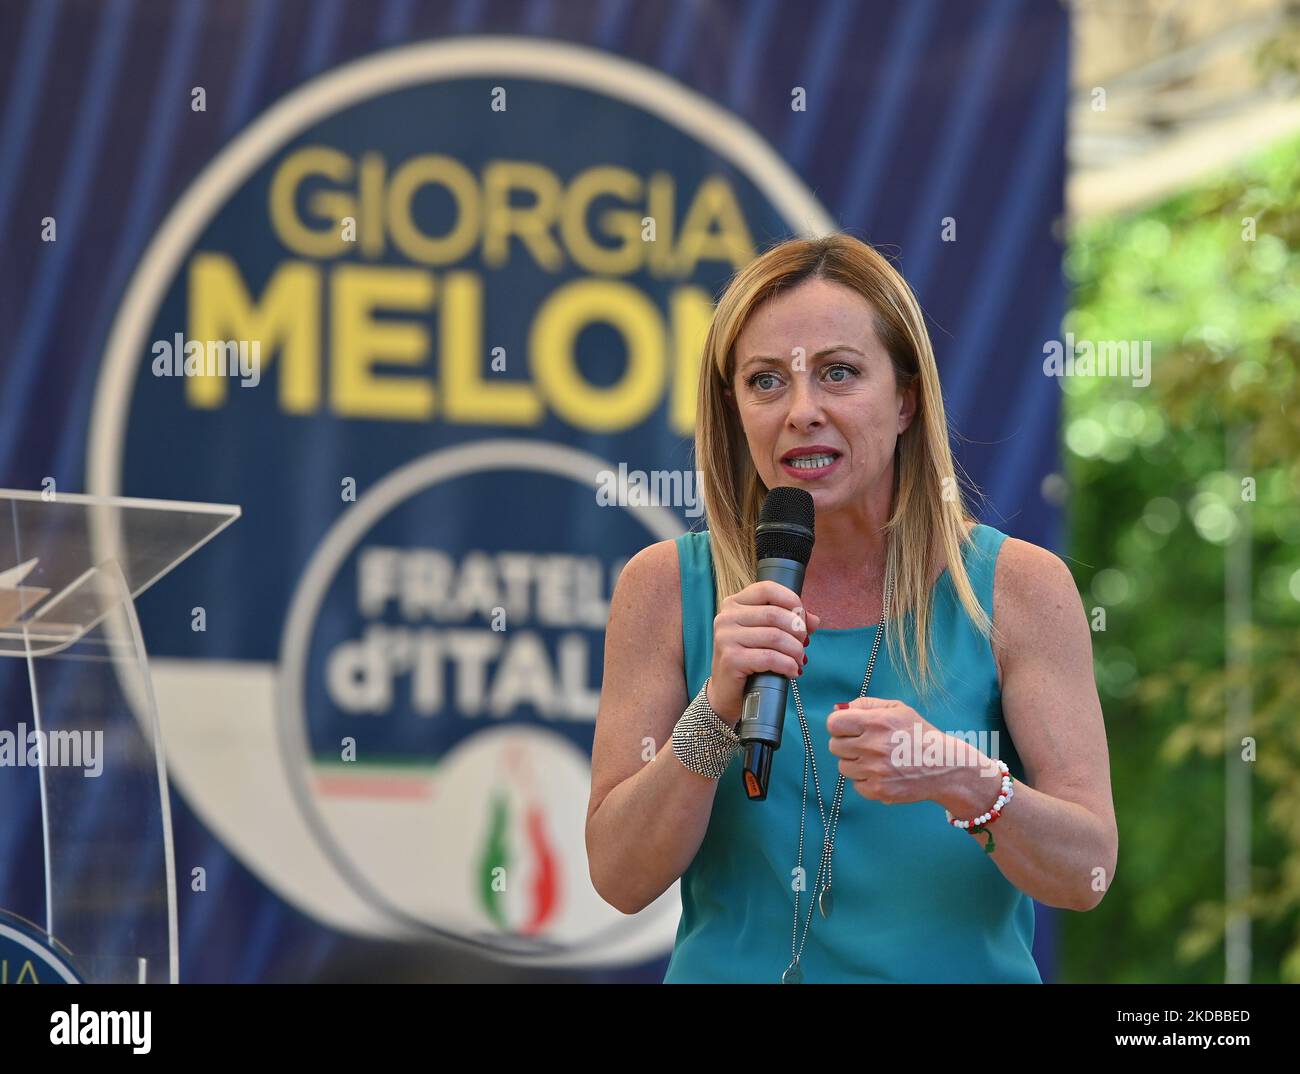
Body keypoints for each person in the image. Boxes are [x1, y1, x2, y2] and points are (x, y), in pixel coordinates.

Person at [585, 233, 1117, 983]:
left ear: (904, 399)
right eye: (765, 381)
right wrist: (714, 710)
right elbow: (619, 876)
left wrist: (955, 773)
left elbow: (1086, 871)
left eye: (838, 374)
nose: (802, 411)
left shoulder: (1016, 587)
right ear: (733, 407)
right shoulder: (668, 587)